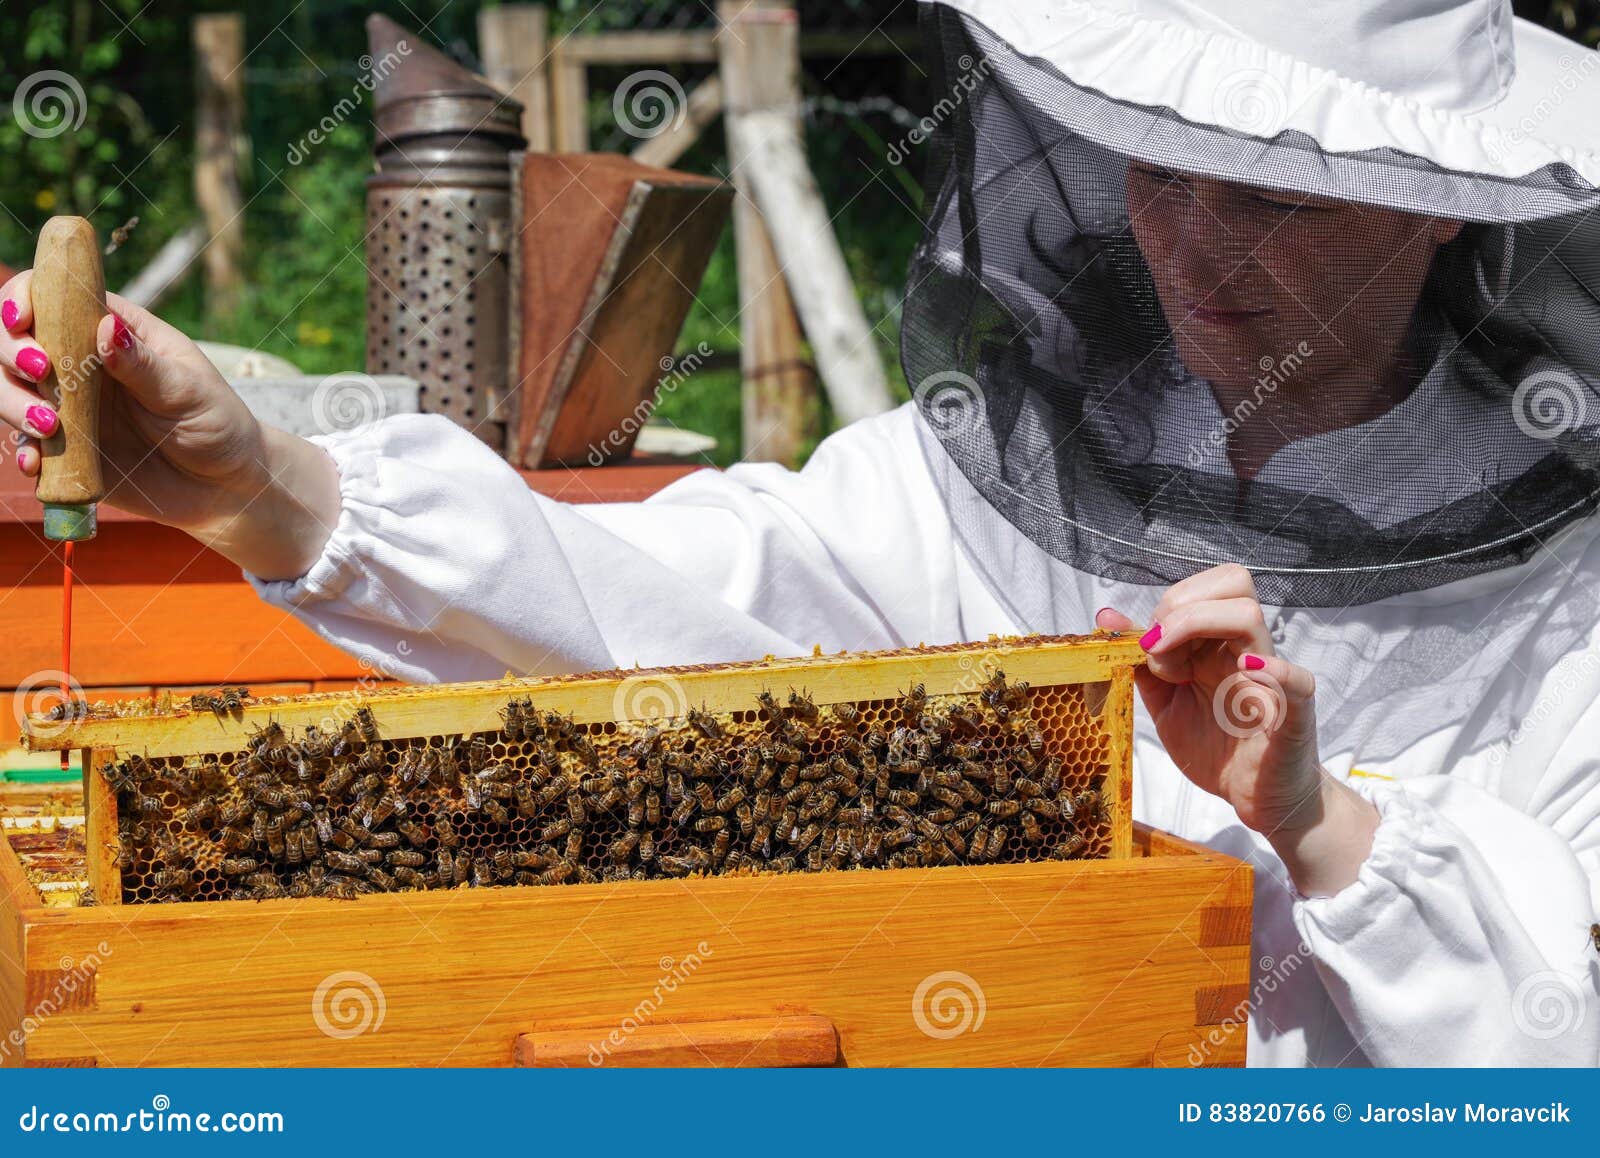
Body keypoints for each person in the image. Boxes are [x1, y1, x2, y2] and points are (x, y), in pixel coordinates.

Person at [5, 0, 1600, 1066]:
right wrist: (267, 486)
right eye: (1156, 174)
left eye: (1271, 196)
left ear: (1440, 196)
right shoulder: (989, 475)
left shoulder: (1572, 604)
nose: (1194, 245)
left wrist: (1323, 825)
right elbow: (677, 595)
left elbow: (1560, 1047)